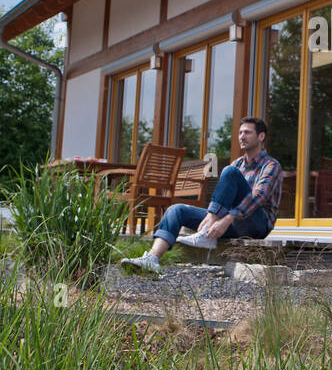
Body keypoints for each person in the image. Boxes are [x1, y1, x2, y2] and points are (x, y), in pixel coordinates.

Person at [119, 116, 282, 278]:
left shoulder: (270, 165)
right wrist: (220, 218)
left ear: (261, 137)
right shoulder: (237, 163)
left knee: (229, 172)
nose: (242, 136)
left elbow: (259, 197)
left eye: (247, 132)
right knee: (176, 210)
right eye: (240, 133)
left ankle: (206, 228)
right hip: (229, 222)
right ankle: (152, 258)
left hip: (256, 224)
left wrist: (222, 219)